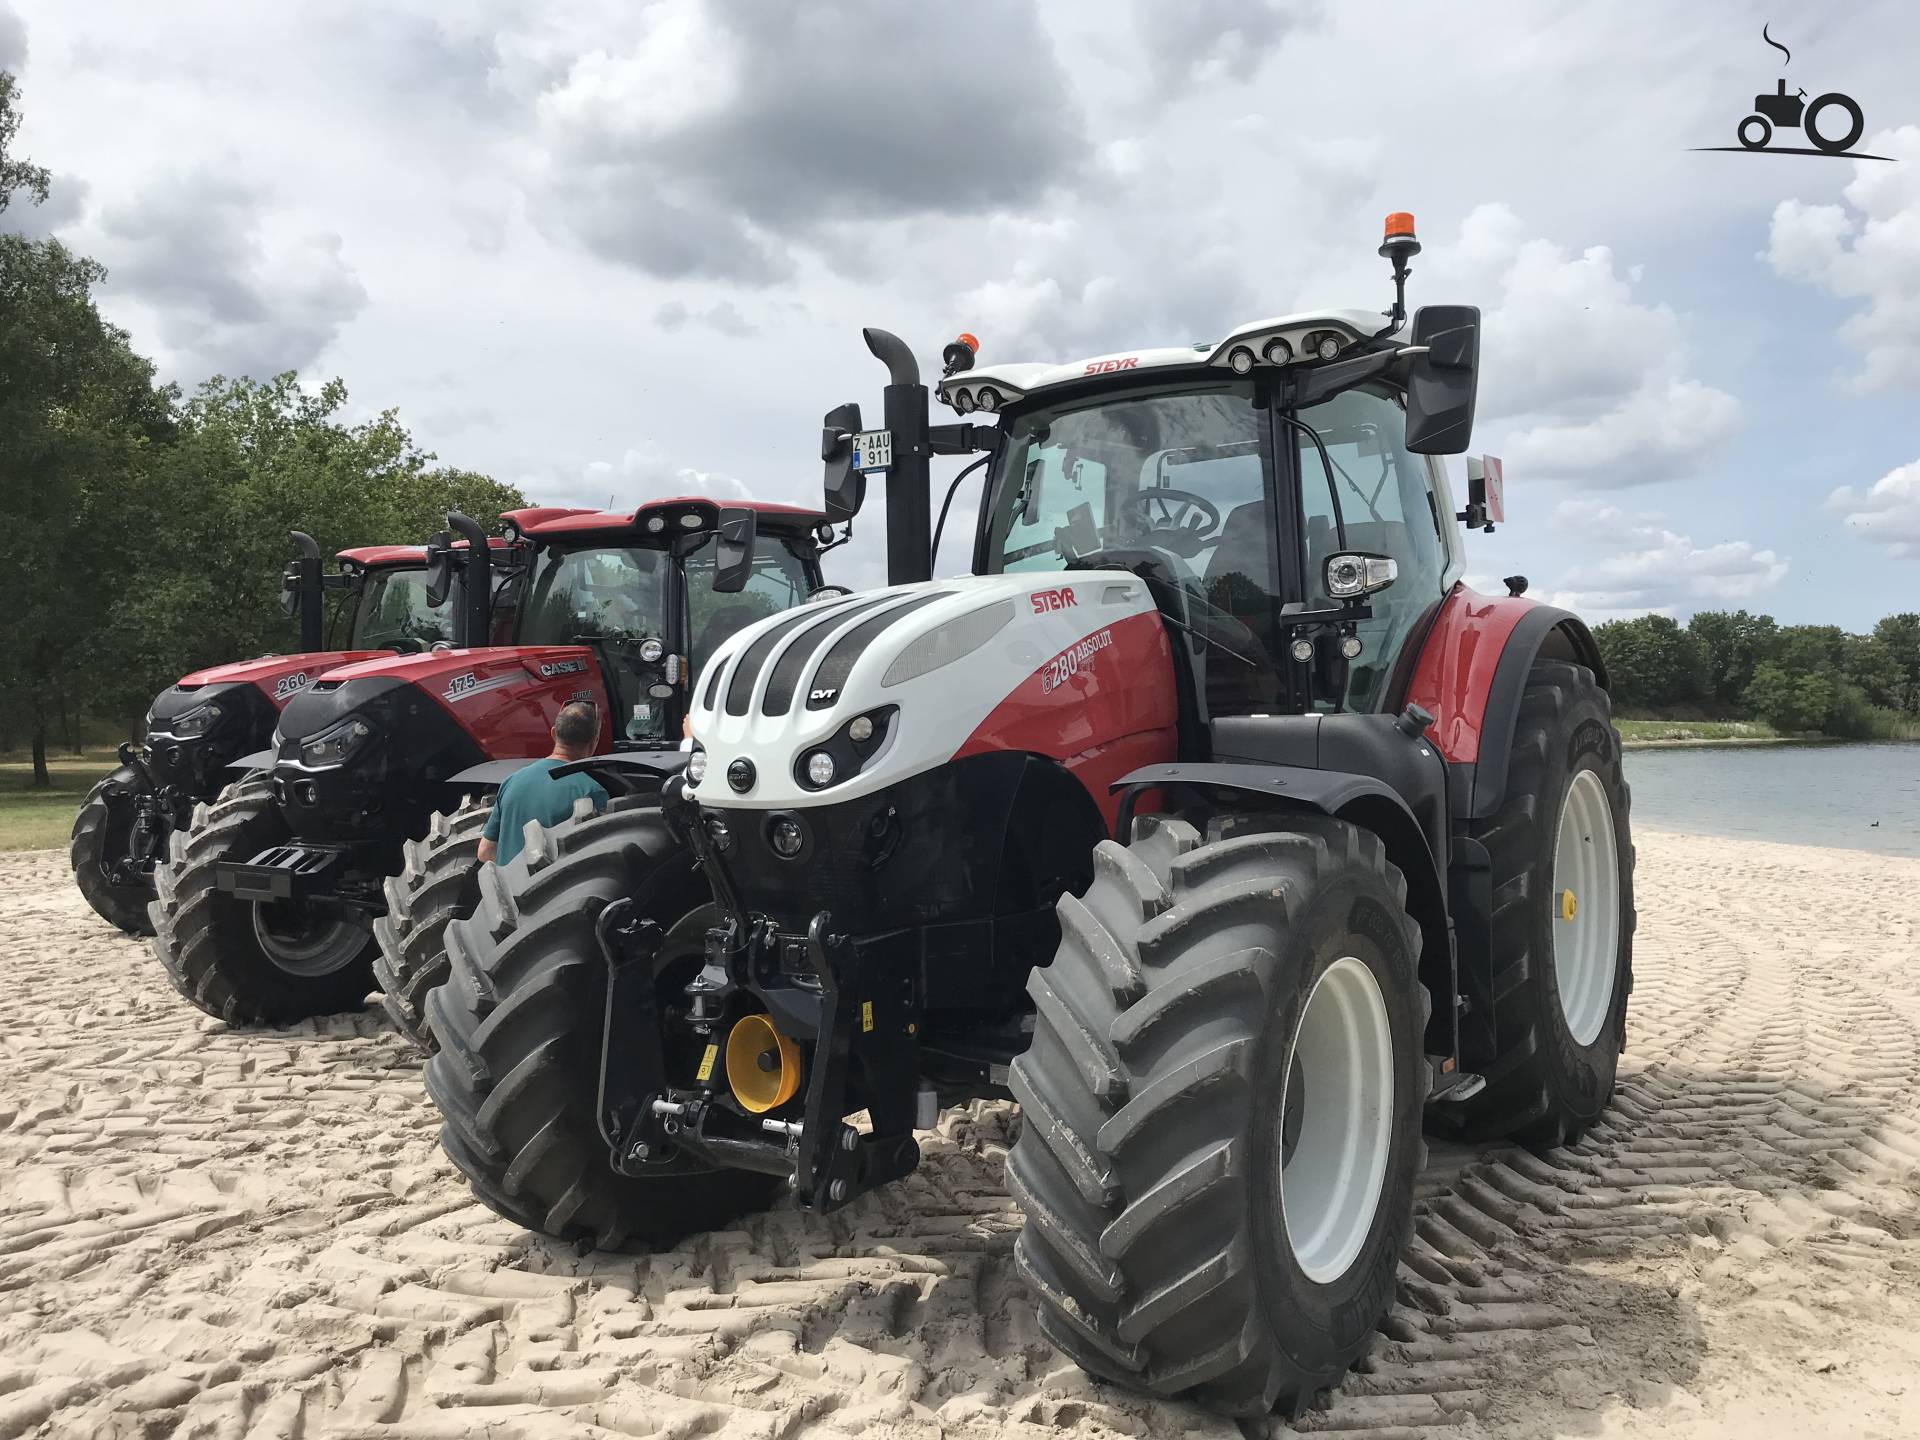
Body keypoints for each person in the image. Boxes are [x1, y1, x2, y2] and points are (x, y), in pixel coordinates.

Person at [477, 700, 609, 867]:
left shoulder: (511, 781)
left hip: (504, 890)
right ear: (594, 742)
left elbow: (485, 852)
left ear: (553, 733)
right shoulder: (591, 791)